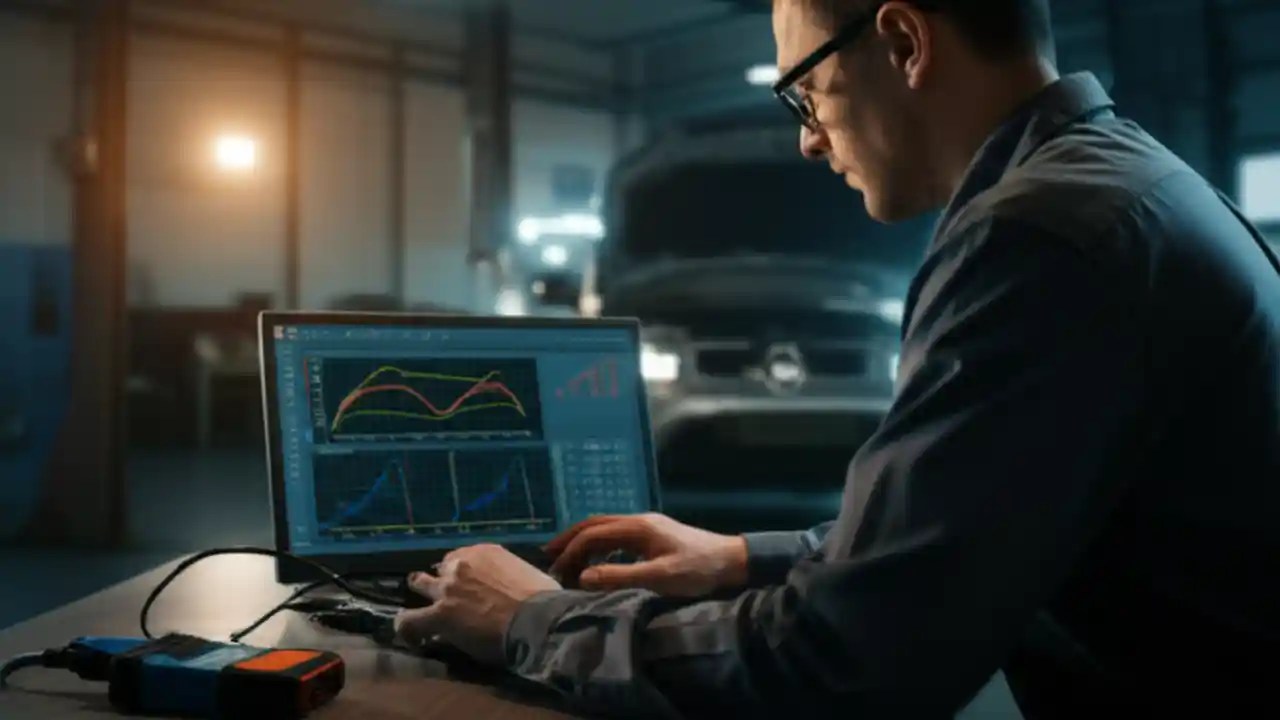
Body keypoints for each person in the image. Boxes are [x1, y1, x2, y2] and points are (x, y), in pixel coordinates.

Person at [395, 0, 1280, 716]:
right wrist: (744, 558)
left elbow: (847, 663)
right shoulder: (1134, 181)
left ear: (901, 42)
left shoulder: (1036, 236)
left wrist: (534, 619)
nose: (808, 139)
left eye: (805, 91)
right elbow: (989, 517)